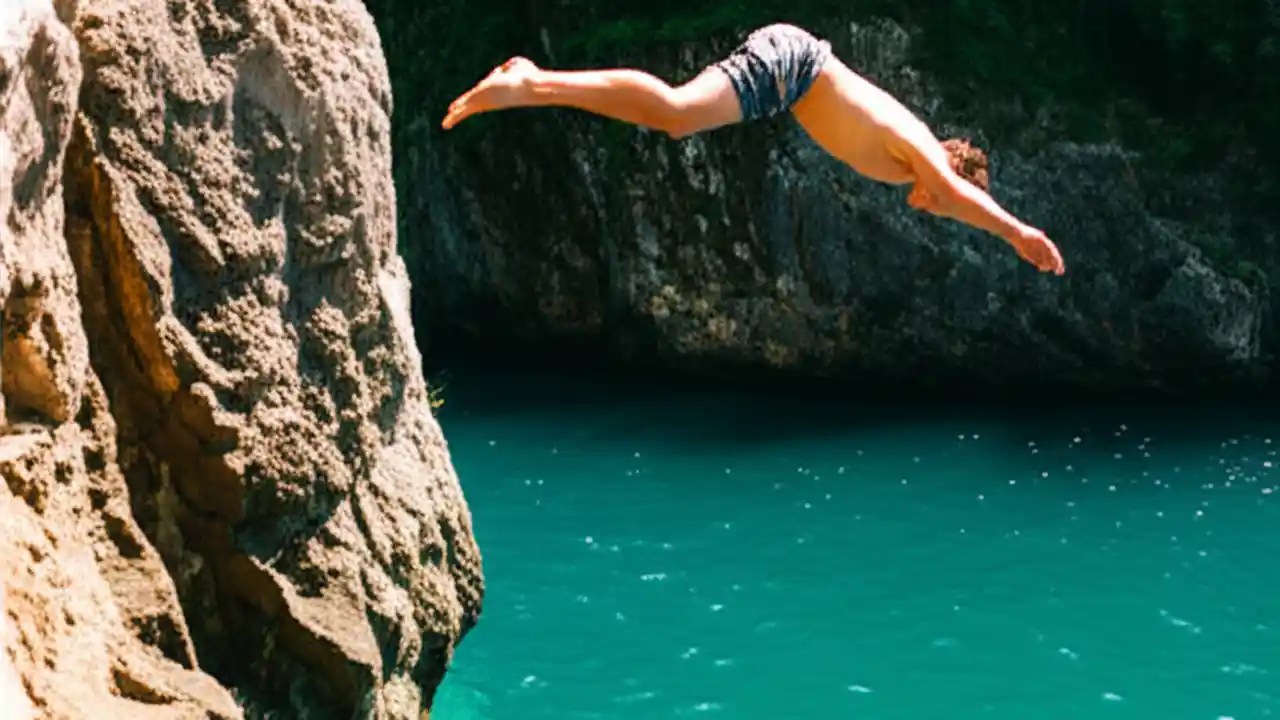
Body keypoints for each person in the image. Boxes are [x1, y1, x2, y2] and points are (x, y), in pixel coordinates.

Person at [442, 23, 1065, 275]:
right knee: (677, 114)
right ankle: (531, 82)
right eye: (943, 199)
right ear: (953, 171)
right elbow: (956, 196)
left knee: (676, 117)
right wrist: (1017, 234)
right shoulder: (924, 155)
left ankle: (533, 83)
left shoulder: (914, 166)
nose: (933, 208)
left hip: (787, 83)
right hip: (794, 67)